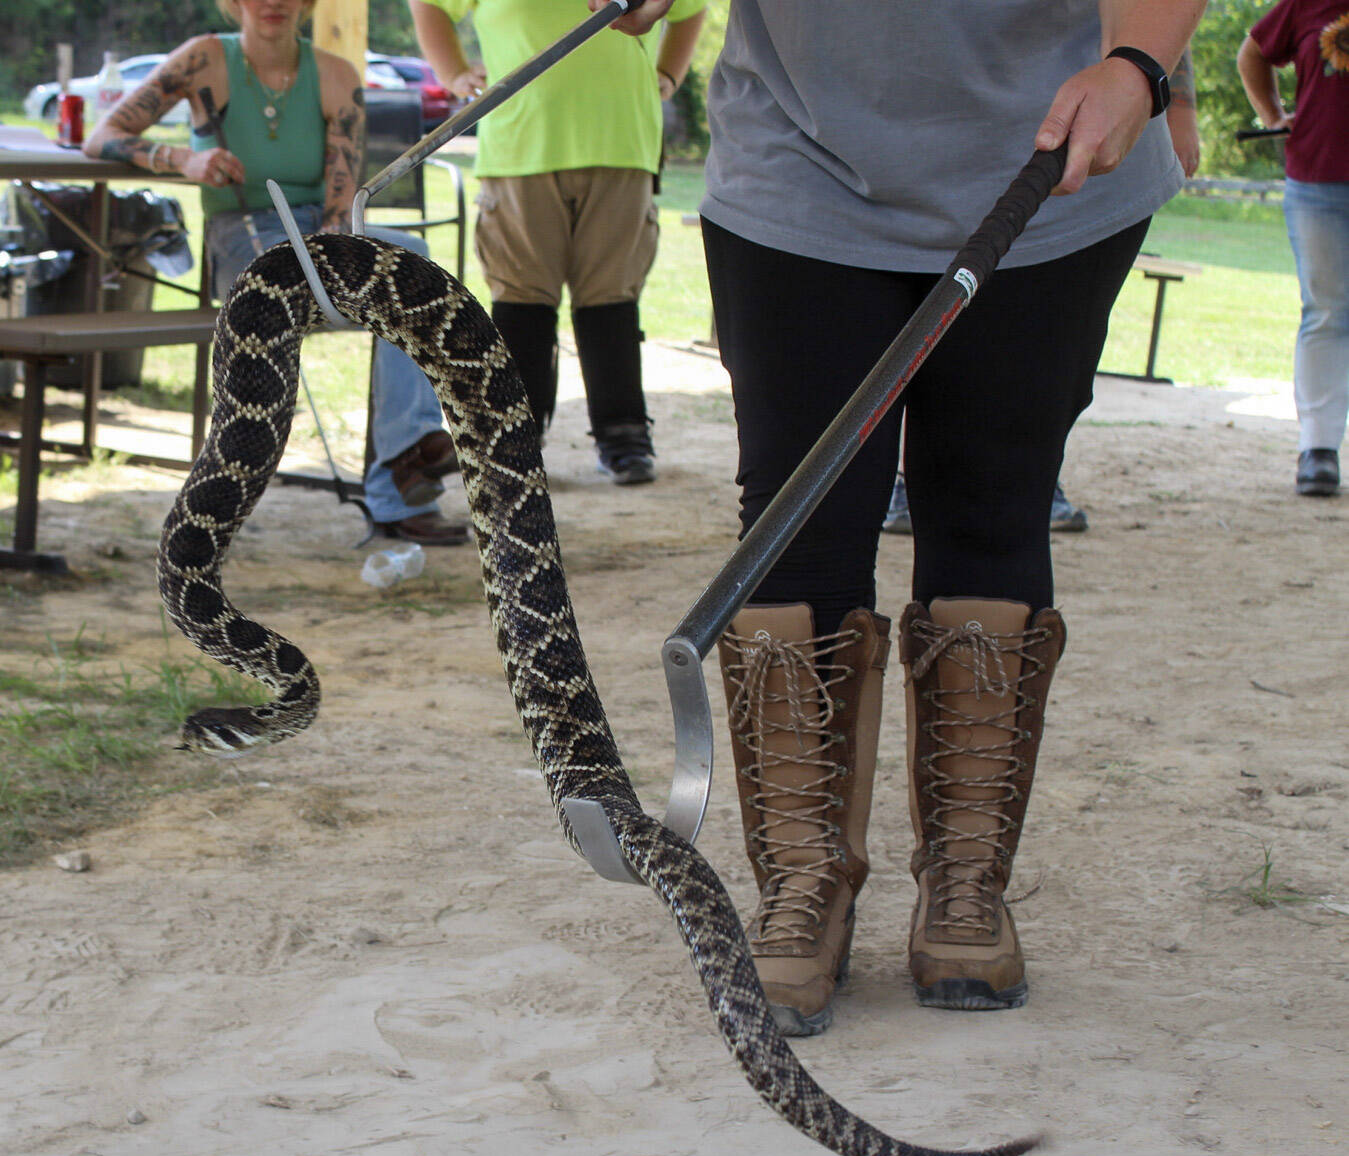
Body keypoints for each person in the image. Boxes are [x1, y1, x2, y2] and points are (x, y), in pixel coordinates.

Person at [605, 0, 1203, 1035]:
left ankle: (965, 876)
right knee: (794, 522)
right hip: (796, 165)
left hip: (1048, 164)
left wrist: (1140, 66)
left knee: (990, 502)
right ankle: (803, 877)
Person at [84, 0, 471, 545]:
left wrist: (340, 260)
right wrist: (185, 160)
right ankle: (230, 496)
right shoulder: (203, 59)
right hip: (245, 233)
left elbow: (341, 208)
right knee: (296, 278)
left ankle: (407, 462)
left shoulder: (335, 74)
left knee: (413, 266)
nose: (273, 3)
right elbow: (101, 134)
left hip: (322, 236)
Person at [881, 49, 1199, 540]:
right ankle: (907, 480)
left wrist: (1176, 105)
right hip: (840, 162)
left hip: (1051, 176)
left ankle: (1030, 478)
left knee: (997, 463)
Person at [409, 0, 706, 484]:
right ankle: (516, 443)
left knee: (611, 298)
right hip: (519, 148)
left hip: (623, 142)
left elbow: (692, 8)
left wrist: (669, 75)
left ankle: (623, 435)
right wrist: (455, 73)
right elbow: (428, 4)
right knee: (522, 302)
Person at [1239, 2, 1349, 497]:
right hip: (1318, 181)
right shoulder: (1308, 3)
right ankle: (1318, 449)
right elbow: (1254, 54)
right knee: (1326, 311)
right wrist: (1273, 115)